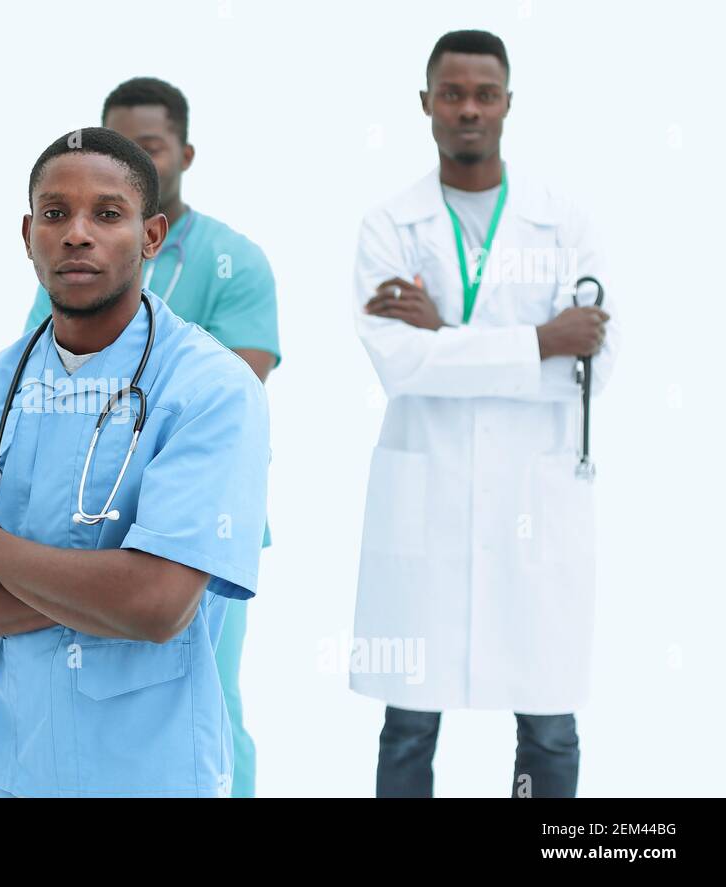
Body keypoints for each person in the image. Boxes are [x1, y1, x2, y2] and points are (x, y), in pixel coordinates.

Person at [0, 127, 270, 797]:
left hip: (153, 780)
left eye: (106, 213)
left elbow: (157, 604)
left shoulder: (210, 389)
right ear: (27, 233)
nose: (76, 233)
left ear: (151, 234)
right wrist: (100, 592)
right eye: (54, 213)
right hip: (9, 776)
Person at [351, 30, 617, 798]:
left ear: (507, 103)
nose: (468, 108)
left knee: (549, 720)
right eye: (452, 93)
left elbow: (592, 367)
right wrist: (537, 342)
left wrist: (448, 338)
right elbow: (399, 366)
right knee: (409, 721)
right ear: (427, 103)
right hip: (427, 502)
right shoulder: (388, 225)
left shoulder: (564, 223)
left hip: (535, 501)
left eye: (484, 94)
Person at [22, 77, 279, 797]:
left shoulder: (236, 261)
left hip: (204, 530)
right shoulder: (77, 264)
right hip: (81, 528)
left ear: (185, 153)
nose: (134, 156)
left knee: (210, 704)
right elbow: (35, 392)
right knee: (89, 704)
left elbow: (230, 401)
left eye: (152, 145)